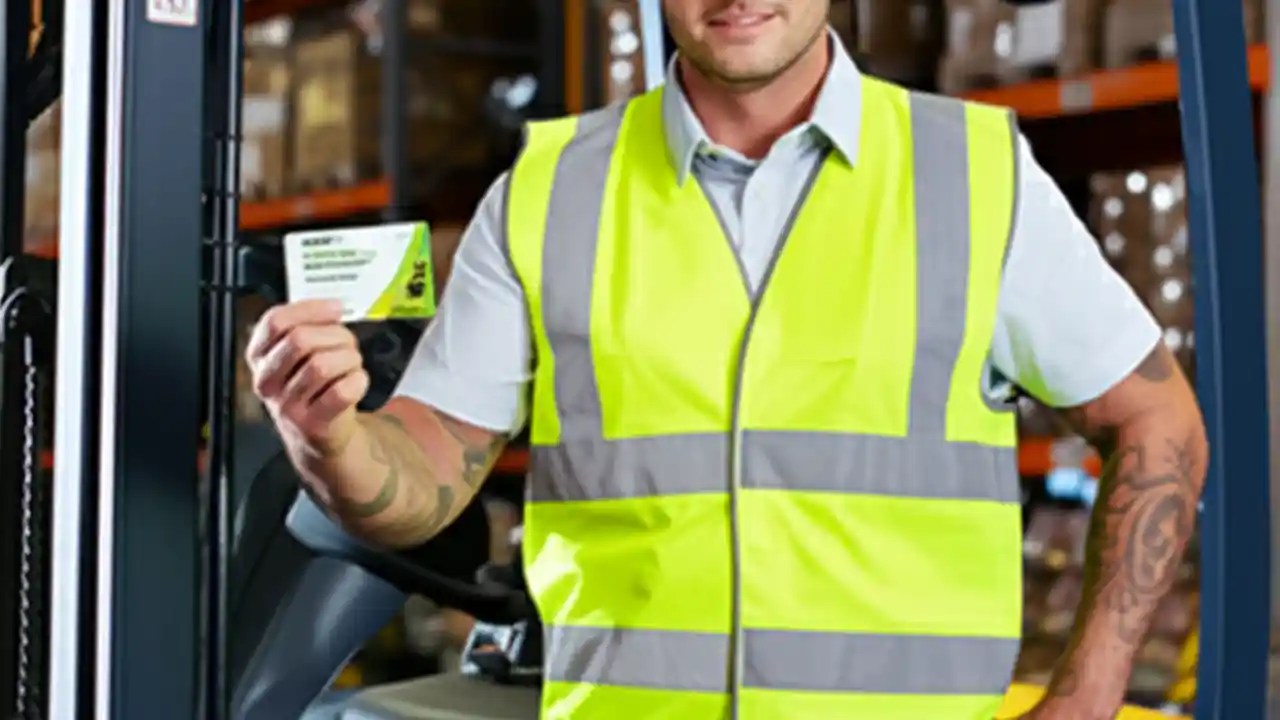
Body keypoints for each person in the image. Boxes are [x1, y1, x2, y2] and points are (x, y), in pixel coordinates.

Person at [246, 1, 1208, 718]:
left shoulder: (974, 176)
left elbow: (1155, 419)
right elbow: (421, 478)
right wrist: (329, 436)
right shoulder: (549, 194)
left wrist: (1085, 696)